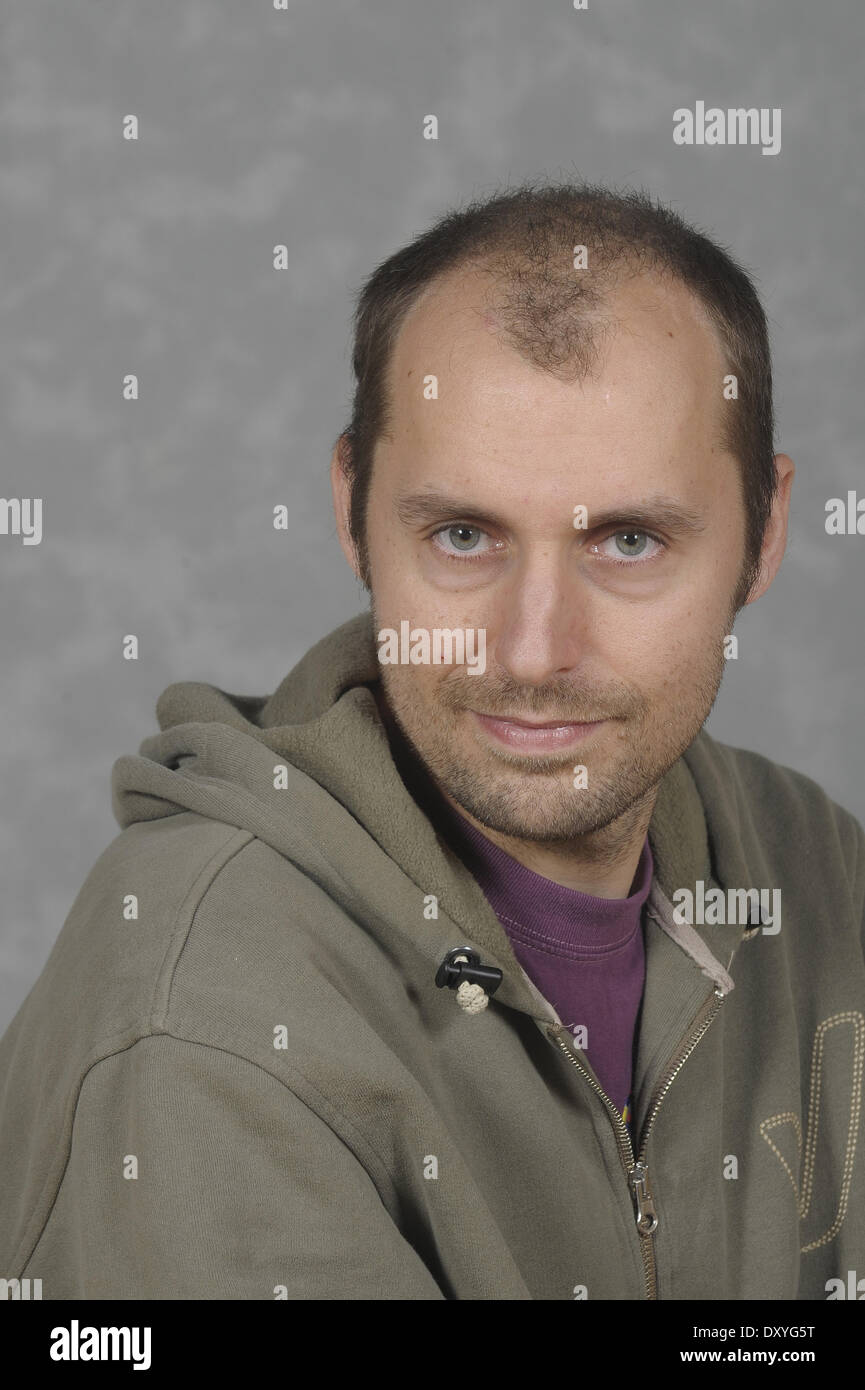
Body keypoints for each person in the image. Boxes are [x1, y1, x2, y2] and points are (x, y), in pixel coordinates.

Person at [1, 182, 863, 1301]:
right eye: (463, 535)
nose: (536, 649)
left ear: (766, 531)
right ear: (353, 506)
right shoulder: (200, 1023)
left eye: (631, 540)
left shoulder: (815, 867)